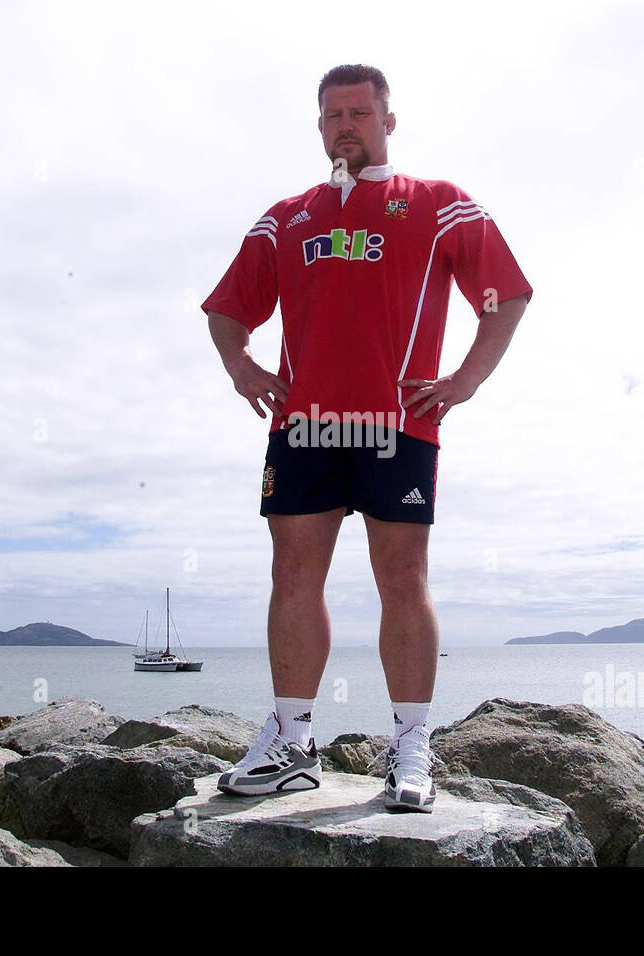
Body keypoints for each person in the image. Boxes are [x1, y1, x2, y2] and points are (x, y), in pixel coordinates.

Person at [203, 64, 532, 812]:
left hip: (398, 424)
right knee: (293, 575)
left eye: (358, 112)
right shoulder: (288, 216)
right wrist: (241, 365)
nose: (344, 125)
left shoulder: (439, 205)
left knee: (402, 577)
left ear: (387, 119)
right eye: (330, 116)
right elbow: (227, 310)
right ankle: (292, 741)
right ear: (319, 127)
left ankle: (411, 746)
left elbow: (506, 296)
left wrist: (465, 380)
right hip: (305, 425)